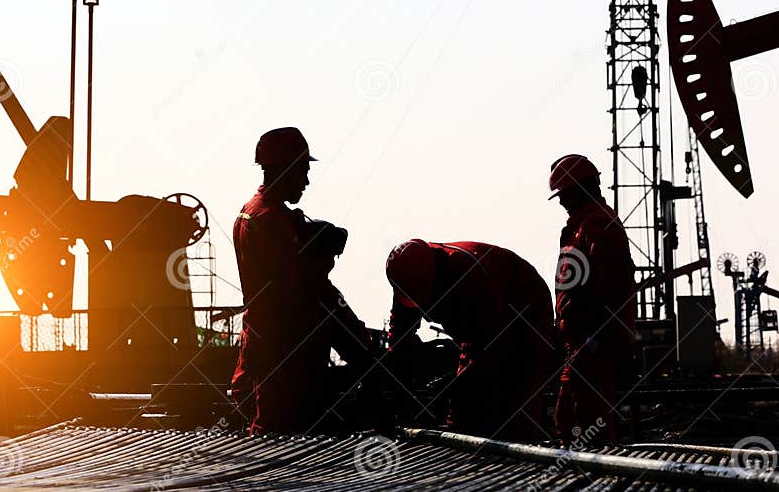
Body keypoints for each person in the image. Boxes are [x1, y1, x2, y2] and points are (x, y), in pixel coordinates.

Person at [230, 127, 374, 435]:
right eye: (303, 172)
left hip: (261, 347)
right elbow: (307, 293)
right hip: (284, 357)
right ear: (285, 170)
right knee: (278, 444)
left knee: (268, 441)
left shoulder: (249, 214)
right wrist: (364, 351)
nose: (307, 182)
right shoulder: (273, 223)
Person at [385, 239, 555, 442]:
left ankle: (520, 453)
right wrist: (392, 376)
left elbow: (494, 345)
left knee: (514, 399)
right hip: (478, 329)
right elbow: (399, 337)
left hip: (526, 309)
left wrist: (454, 384)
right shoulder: (407, 278)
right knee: (462, 415)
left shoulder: (469, 276)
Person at [548, 153, 636, 445]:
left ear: (579, 189)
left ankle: (596, 473)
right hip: (583, 338)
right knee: (572, 415)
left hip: (593, 338)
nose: (560, 201)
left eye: (563, 194)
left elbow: (611, 283)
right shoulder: (582, 225)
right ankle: (587, 469)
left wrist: (595, 334)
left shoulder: (597, 224)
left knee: (585, 415)